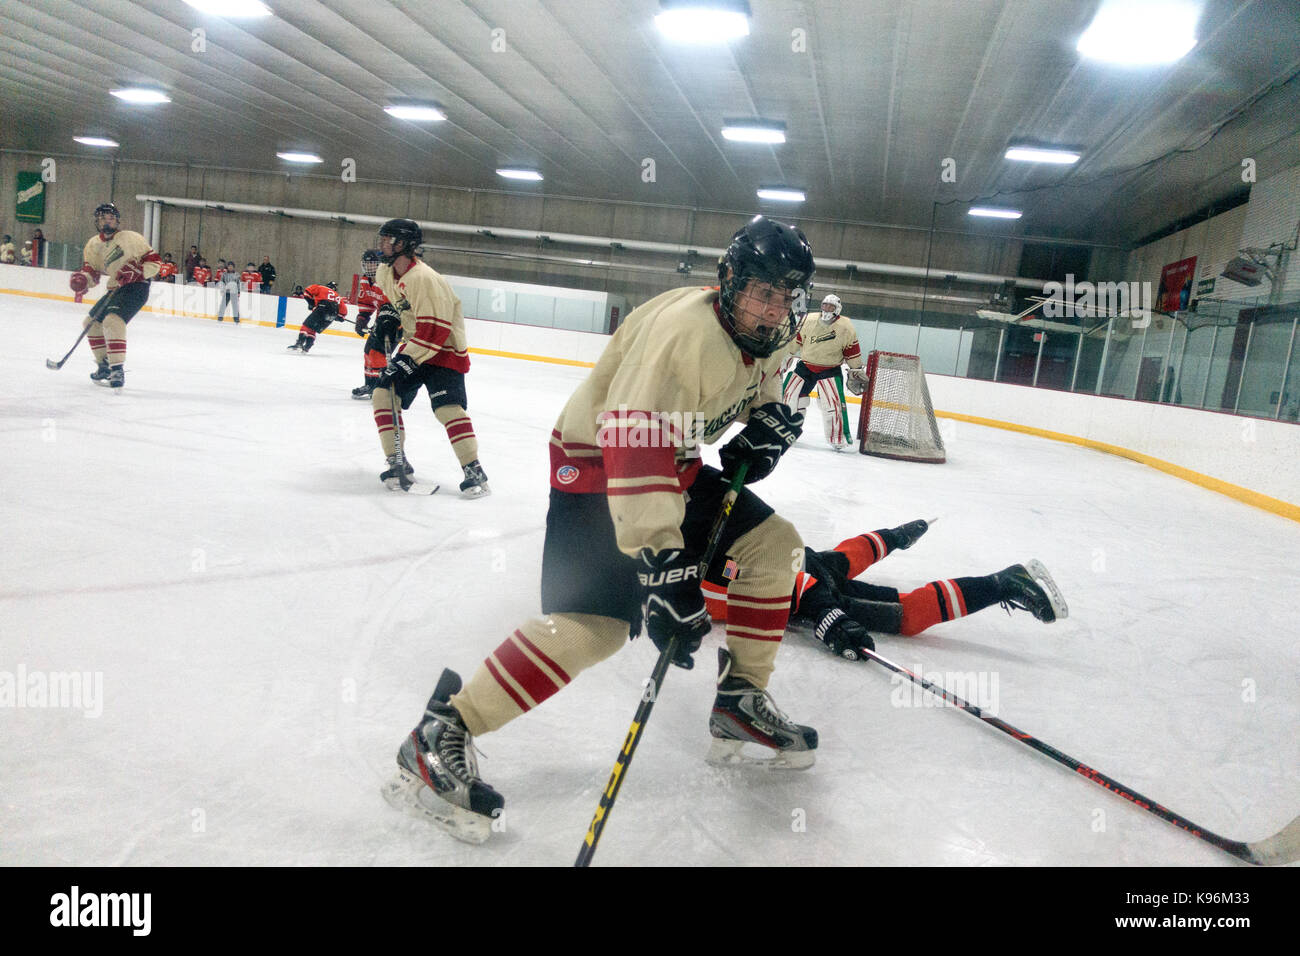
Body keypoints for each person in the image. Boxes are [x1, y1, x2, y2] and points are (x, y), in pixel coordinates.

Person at [382, 216, 817, 843]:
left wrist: (770, 418)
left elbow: (760, 380)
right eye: (761, 291)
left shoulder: (769, 330)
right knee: (597, 628)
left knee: (775, 546)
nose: (772, 308)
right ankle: (444, 729)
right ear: (730, 281)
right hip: (597, 469)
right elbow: (631, 447)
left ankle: (740, 700)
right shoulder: (684, 337)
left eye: (785, 296)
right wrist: (664, 568)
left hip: (672, 462)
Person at [702, 519, 1068, 661]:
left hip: (800, 581)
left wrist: (828, 616)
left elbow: (788, 582)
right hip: (798, 559)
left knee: (906, 616)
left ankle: (1003, 583)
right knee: (842, 560)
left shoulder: (699, 570)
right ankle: (897, 535)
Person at [368, 220, 489, 498]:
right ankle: (397, 461)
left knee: (447, 410)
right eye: (383, 238)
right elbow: (396, 303)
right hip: (416, 344)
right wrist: (387, 318)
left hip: (443, 349)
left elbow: (435, 329)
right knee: (383, 395)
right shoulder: (386, 272)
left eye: (389, 239)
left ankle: (474, 470)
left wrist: (406, 360)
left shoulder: (424, 278)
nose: (383, 243)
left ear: (405, 244)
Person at [67, 202, 160, 389]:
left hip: (137, 287)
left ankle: (117, 368)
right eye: (102, 219)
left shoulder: (131, 238)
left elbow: (155, 263)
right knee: (90, 324)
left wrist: (139, 272)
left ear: (117, 220)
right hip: (115, 288)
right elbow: (92, 271)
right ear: (97, 222)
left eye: (110, 218)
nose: (106, 222)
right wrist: (83, 279)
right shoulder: (93, 244)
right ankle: (104, 366)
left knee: (112, 321)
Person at [781, 293, 862, 450]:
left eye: (830, 307)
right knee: (791, 397)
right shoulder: (809, 320)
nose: (826, 309)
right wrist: (786, 356)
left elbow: (852, 351)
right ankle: (787, 431)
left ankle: (837, 438)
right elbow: (796, 340)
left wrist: (856, 369)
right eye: (824, 305)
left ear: (837, 309)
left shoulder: (846, 327)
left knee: (832, 404)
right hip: (805, 366)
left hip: (830, 369)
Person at [350, 249, 394, 400]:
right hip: (381, 322)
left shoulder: (388, 281)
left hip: (395, 324)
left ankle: (382, 387)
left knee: (378, 353)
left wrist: (386, 324)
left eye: (373, 264)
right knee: (368, 351)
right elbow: (367, 303)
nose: (369, 267)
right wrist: (362, 318)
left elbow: (394, 307)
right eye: (367, 264)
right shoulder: (365, 281)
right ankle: (370, 384)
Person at [287, 281, 347, 352]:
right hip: (332, 314)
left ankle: (299, 344)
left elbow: (307, 292)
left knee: (306, 326)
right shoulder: (338, 296)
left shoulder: (321, 287)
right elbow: (343, 312)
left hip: (322, 308)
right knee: (313, 329)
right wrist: (339, 317)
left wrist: (311, 303)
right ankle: (307, 347)